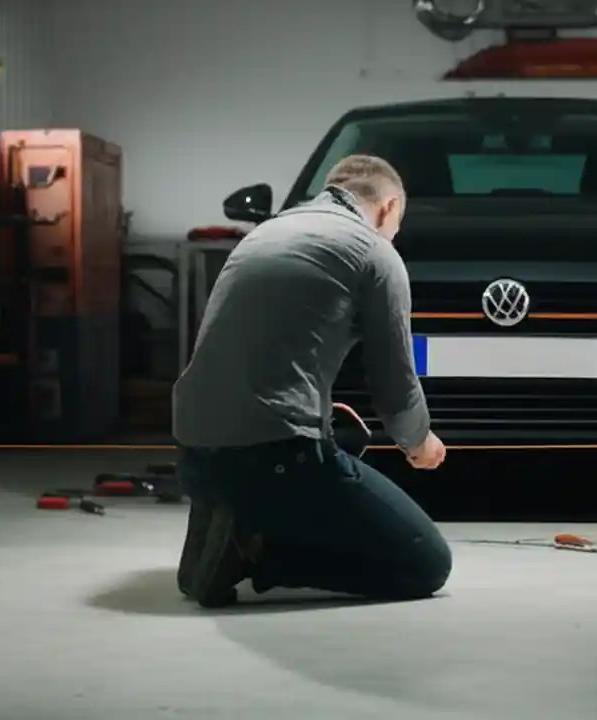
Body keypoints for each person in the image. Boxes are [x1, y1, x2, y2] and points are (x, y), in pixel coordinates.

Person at [171, 154, 452, 608]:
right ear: (389, 208)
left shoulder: (265, 234)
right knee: (426, 564)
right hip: (272, 457)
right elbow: (394, 385)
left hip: (194, 451)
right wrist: (419, 442)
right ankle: (254, 550)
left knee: (331, 440)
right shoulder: (374, 251)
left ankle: (226, 519)